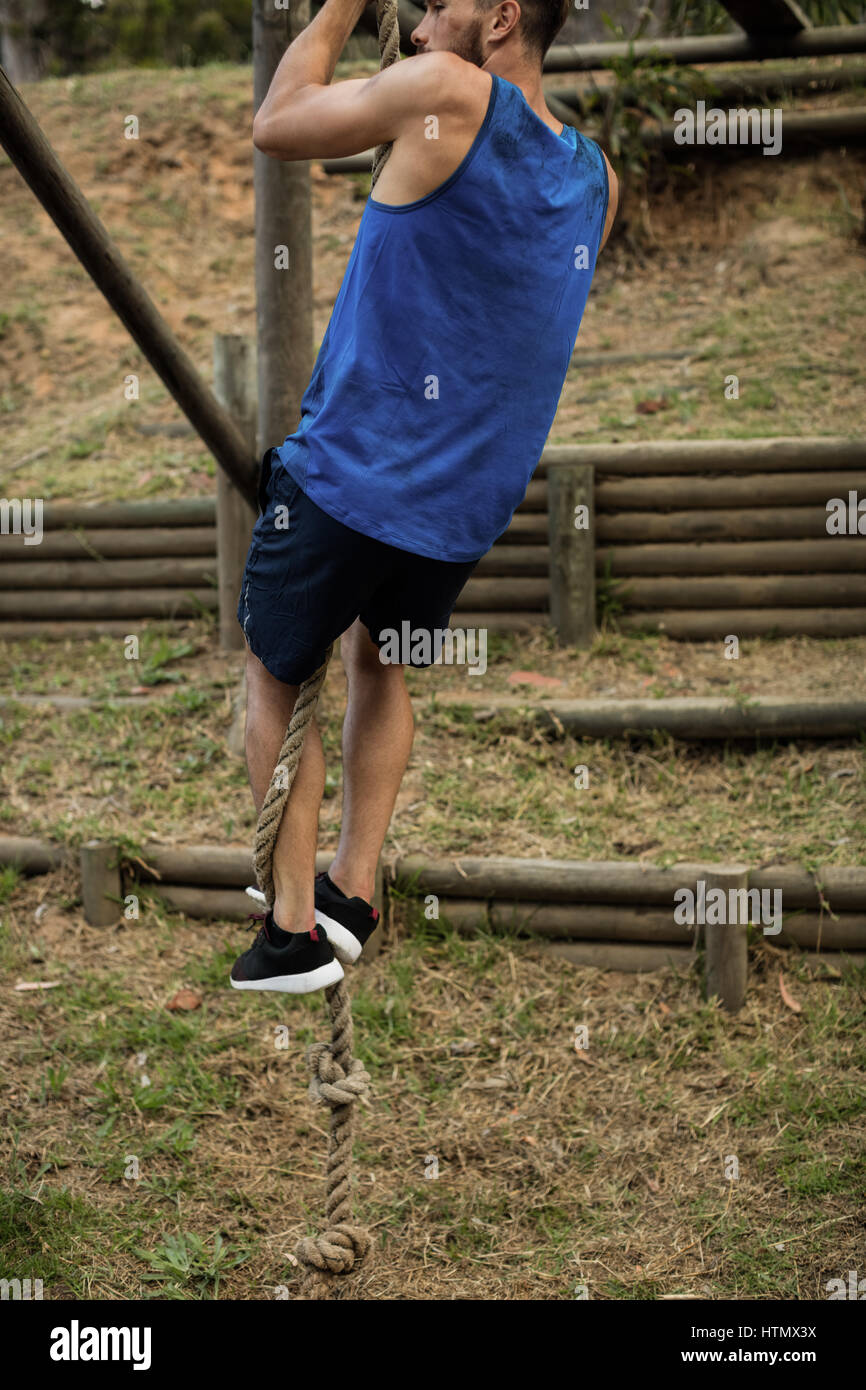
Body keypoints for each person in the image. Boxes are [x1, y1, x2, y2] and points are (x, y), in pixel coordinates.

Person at [230, 0, 618, 994]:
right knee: (379, 659)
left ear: (497, 19)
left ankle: (291, 934)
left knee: (275, 672)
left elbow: (277, 123)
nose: (410, 29)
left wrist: (340, 6)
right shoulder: (594, 179)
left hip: (353, 469)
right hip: (463, 505)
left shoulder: (447, 90)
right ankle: (351, 890)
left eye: (433, 8)